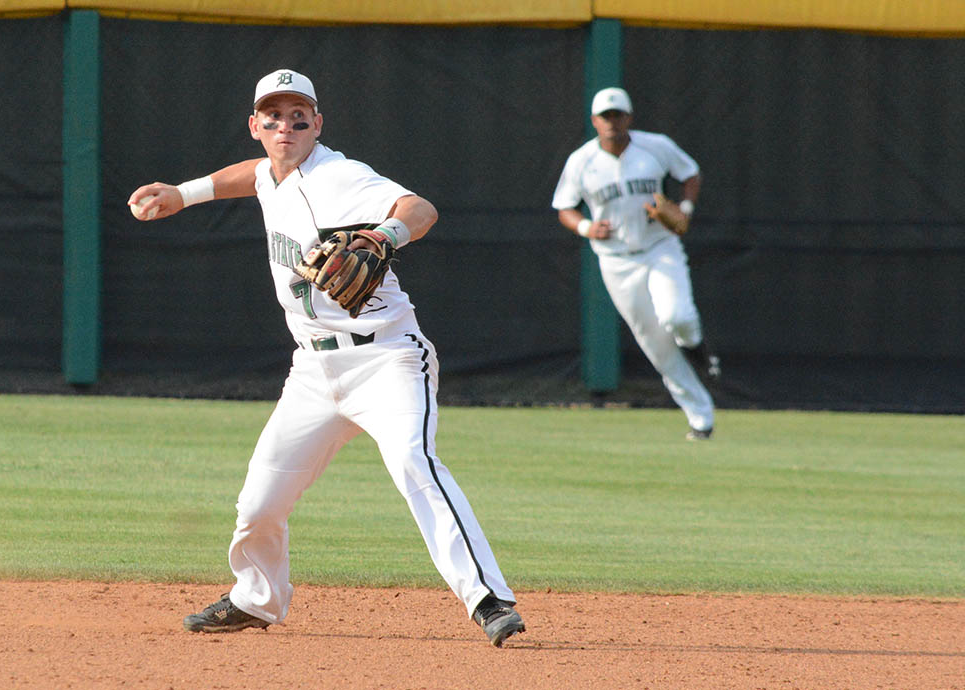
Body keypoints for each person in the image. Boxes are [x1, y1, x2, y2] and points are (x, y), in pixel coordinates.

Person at [127, 69, 526, 647]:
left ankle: (487, 598)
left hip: (386, 357)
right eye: (273, 117)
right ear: (255, 126)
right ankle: (255, 599)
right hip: (313, 370)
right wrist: (183, 194)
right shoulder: (272, 172)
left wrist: (385, 236)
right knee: (260, 500)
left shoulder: (342, 176)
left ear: (318, 123)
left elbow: (421, 208)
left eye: (298, 116)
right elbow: (255, 178)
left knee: (415, 463)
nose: (285, 127)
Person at [552, 87, 720, 441]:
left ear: (628, 118)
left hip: (660, 247)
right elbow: (564, 206)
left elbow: (690, 173)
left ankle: (697, 346)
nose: (612, 122)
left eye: (618, 115)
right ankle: (701, 419)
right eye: (605, 116)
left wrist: (684, 209)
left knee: (678, 316)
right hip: (616, 261)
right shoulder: (581, 161)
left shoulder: (655, 146)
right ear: (595, 121)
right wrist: (585, 226)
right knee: (658, 347)